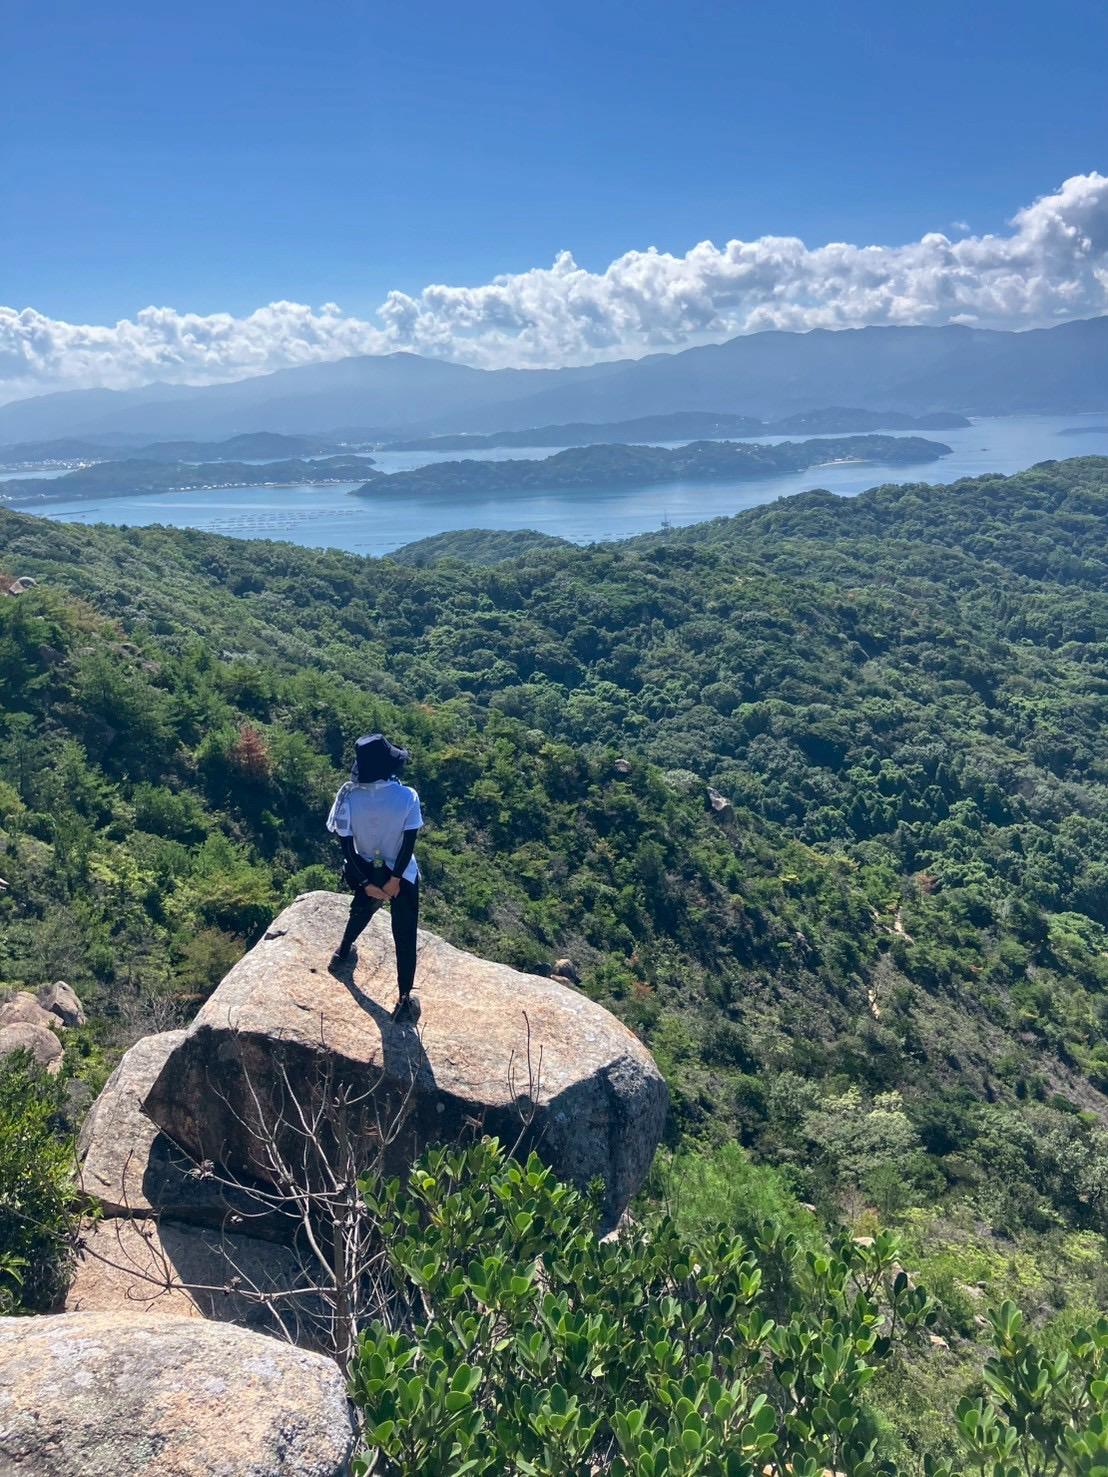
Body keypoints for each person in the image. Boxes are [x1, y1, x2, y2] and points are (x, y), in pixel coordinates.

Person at [327, 733, 423, 1018]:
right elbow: (408, 843)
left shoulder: (348, 798)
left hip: (366, 868)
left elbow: (346, 846)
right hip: (401, 873)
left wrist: (367, 883)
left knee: (360, 911)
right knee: (404, 934)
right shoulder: (407, 797)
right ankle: (404, 999)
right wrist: (394, 880)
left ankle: (342, 953)